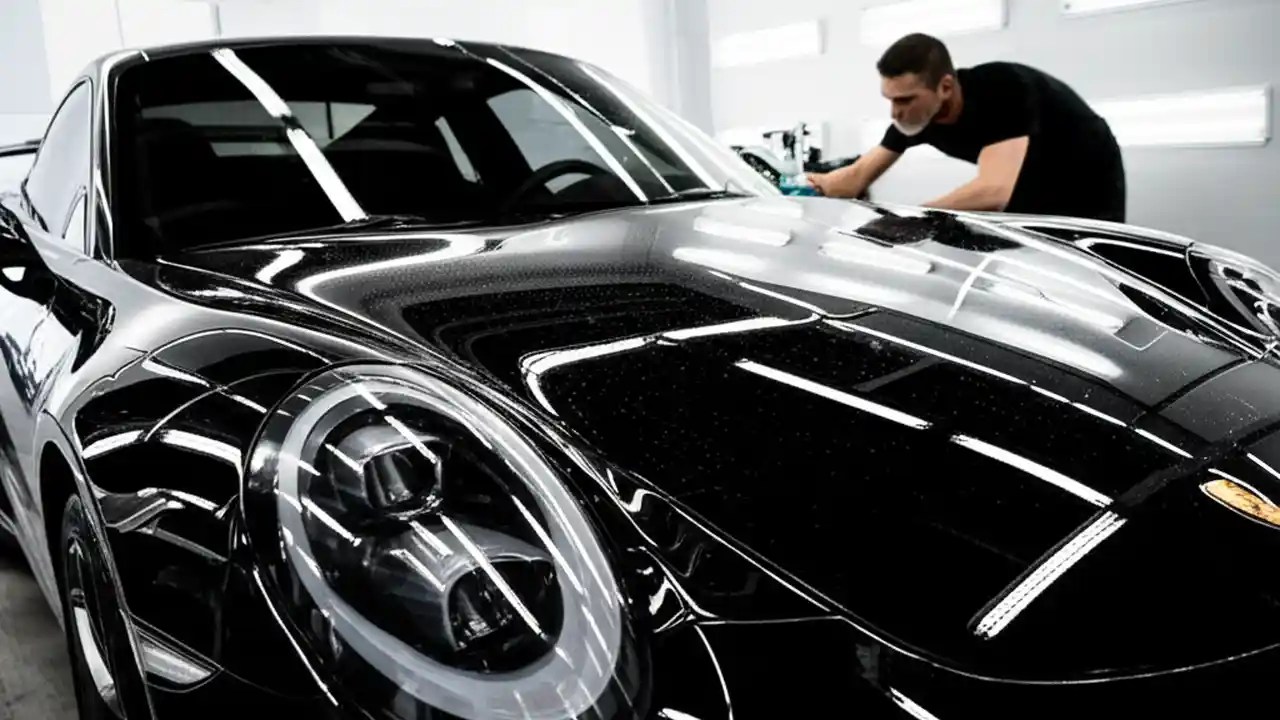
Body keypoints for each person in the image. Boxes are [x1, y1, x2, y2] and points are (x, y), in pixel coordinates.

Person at [807, 33, 1126, 223]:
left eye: (904, 99)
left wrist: (910, 219)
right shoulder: (917, 118)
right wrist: (807, 185)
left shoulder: (1002, 89)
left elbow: (992, 192)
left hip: (1087, 172)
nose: (896, 112)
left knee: (1095, 270)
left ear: (945, 87)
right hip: (1026, 177)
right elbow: (856, 177)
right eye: (889, 100)